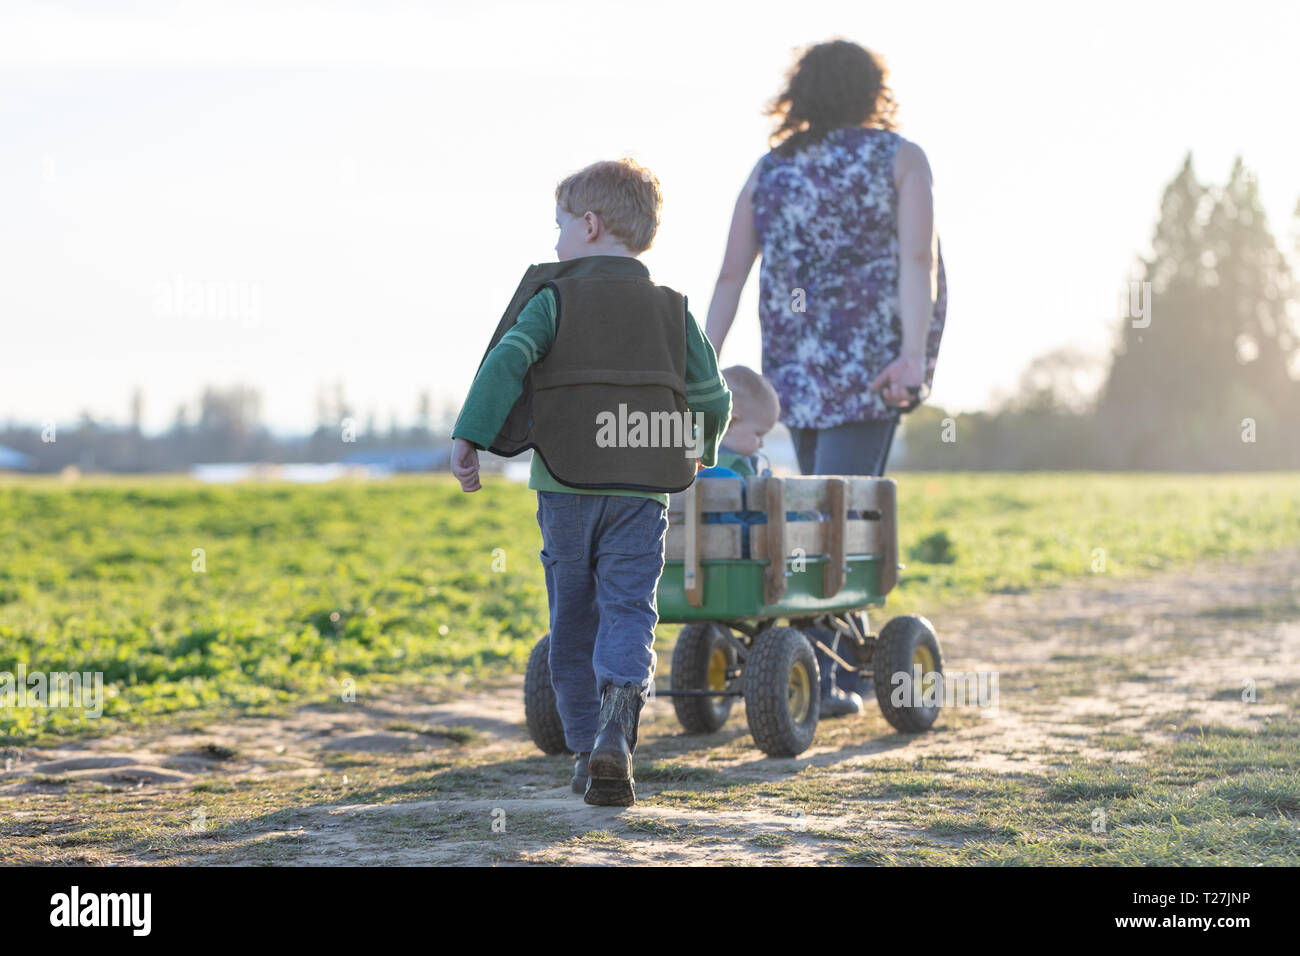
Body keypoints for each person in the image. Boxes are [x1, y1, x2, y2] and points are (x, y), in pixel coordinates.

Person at [450, 158, 732, 806]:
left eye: (559, 227)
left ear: (590, 223)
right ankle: (617, 734)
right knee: (630, 611)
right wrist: (694, 452)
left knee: (572, 619)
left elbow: (508, 360)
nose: (555, 243)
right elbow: (711, 396)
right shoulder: (673, 310)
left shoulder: (554, 297)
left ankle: (584, 749)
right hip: (641, 493)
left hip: (566, 487)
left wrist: (472, 435)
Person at [703, 39, 948, 716]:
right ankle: (830, 672)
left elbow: (730, 276)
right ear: (874, 92)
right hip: (871, 369)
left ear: (800, 93)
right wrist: (913, 353)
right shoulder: (900, 158)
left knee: (817, 510)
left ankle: (832, 662)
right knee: (828, 513)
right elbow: (916, 259)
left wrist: (698, 362)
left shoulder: (769, 170)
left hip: (795, 369)